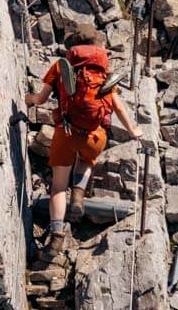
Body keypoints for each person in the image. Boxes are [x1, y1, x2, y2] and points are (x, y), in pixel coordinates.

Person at [23, 24, 142, 251]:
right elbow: (117, 107)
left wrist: (28, 99)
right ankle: (78, 192)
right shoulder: (103, 74)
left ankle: (56, 233)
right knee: (86, 160)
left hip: (65, 133)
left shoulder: (61, 67)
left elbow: (40, 99)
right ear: (97, 45)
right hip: (95, 136)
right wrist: (133, 130)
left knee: (57, 187)